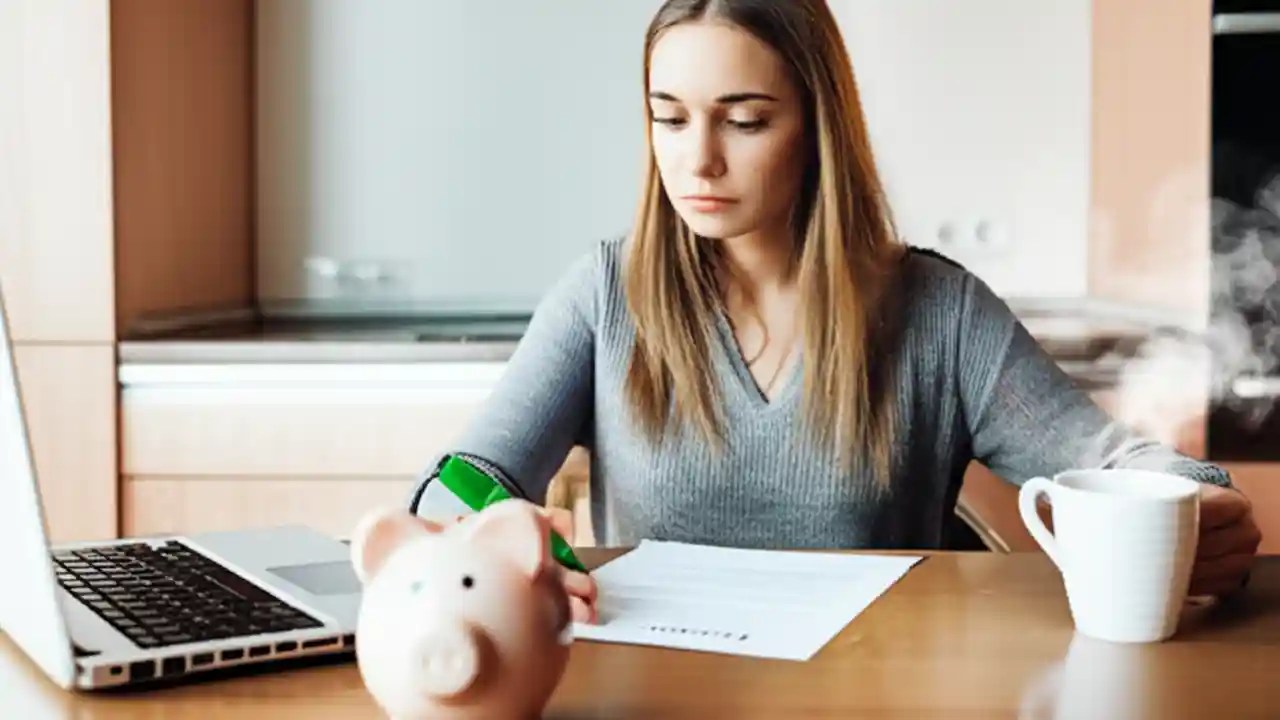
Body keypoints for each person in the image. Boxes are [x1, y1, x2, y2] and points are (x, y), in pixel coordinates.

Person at [410, 0, 1261, 622]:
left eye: (745, 122)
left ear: (819, 126)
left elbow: (1112, 460)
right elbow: (462, 486)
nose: (698, 160)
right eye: (669, 119)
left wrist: (1196, 503)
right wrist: (488, 533)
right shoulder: (606, 294)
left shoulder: (939, 313)